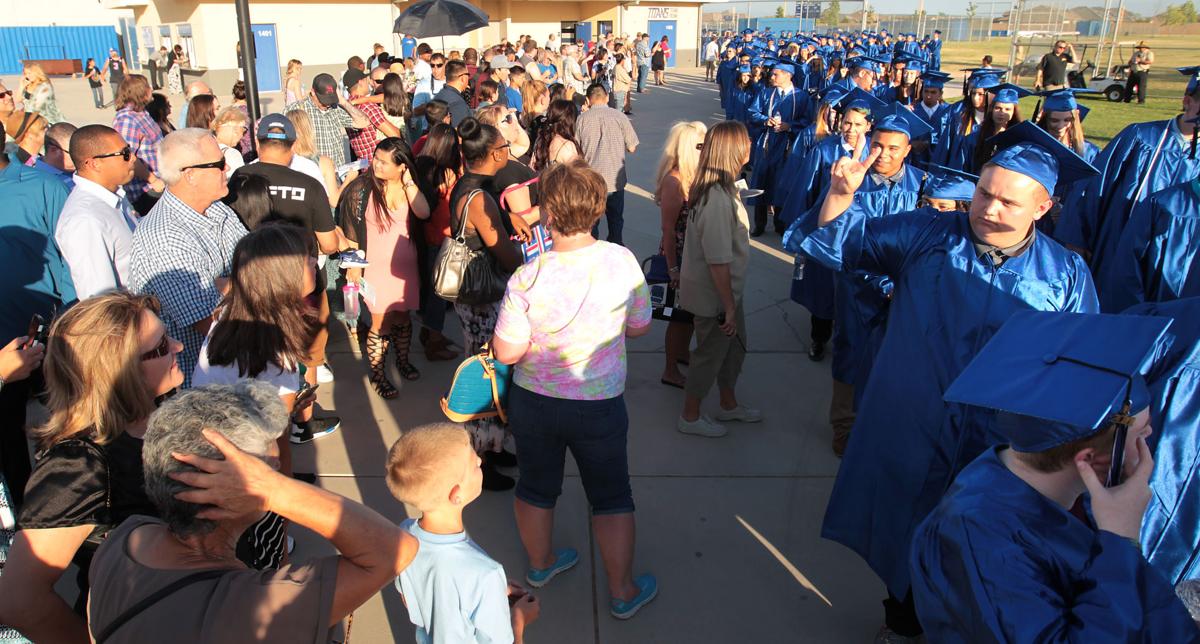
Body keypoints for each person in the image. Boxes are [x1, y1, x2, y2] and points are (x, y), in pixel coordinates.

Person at [782, 122, 1101, 642]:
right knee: (903, 532)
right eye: (984, 193)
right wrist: (840, 194)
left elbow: (1077, 369)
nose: (988, 209)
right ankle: (900, 622)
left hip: (1000, 443)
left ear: (1043, 207)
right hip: (914, 421)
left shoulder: (1065, 274)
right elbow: (845, 245)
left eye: (1008, 202)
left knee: (979, 550)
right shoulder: (928, 234)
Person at [911, 310, 1200, 642]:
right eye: (1141, 433)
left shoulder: (1082, 494)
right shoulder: (979, 540)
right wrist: (1121, 540)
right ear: (1088, 459)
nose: (1150, 438)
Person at [86, 382, 421, 643]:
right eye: (264, 468)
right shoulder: (251, 606)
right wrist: (274, 490)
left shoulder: (126, 538)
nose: (278, 467)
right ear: (221, 491)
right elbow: (393, 549)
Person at [491, 159, 655, 619]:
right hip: (599, 403)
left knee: (535, 486)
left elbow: (506, 352)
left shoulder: (528, 275)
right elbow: (640, 325)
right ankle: (622, 590)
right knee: (612, 496)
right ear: (597, 208)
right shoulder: (621, 261)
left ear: (547, 212)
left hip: (534, 402)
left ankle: (541, 564)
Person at [0, 293, 179, 642]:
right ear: (118, 372)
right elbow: (20, 600)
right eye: (161, 347)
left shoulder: (161, 412)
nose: (178, 347)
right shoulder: (77, 466)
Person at [386, 424, 541, 642]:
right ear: (456, 494)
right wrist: (519, 618)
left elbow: (408, 596)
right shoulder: (486, 574)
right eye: (473, 462)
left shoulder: (403, 535)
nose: (480, 461)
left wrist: (493, 591)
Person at [129, 128, 248, 387]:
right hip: (195, 389)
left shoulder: (218, 209)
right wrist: (244, 283)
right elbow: (211, 322)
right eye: (219, 163)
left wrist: (223, 284)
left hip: (231, 374)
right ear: (190, 174)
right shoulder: (163, 236)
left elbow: (259, 266)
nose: (227, 168)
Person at [1056, 67, 1200, 281]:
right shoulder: (1140, 138)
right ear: (1187, 101)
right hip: (1117, 248)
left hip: (1177, 265)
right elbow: (1094, 187)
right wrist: (1077, 238)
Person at [448, 118, 523, 490]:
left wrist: (509, 218)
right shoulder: (479, 197)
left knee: (491, 369)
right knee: (486, 373)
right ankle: (478, 458)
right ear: (494, 154)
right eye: (505, 147)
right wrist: (527, 265)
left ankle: (493, 446)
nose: (508, 151)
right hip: (482, 297)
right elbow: (505, 254)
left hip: (475, 295)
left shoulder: (471, 185)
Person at [675, 121, 760, 438]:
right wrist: (728, 307)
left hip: (727, 294)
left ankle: (728, 403)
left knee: (733, 350)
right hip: (716, 297)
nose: (751, 143)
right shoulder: (717, 199)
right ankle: (690, 415)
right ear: (733, 150)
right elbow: (718, 260)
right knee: (709, 356)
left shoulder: (723, 189)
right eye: (746, 140)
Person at [341, 138, 430, 397]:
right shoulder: (362, 188)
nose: (376, 165)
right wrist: (353, 266)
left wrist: (409, 183)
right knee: (380, 322)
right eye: (375, 159)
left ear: (401, 166)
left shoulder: (411, 187)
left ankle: (402, 361)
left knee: (403, 316)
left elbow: (424, 213)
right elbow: (350, 230)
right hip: (375, 269)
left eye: (383, 162)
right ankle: (378, 375)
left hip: (406, 270)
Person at [56, 124, 140, 298]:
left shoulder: (114, 196)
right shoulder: (85, 219)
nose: (133, 158)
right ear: (94, 163)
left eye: (130, 150)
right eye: (124, 153)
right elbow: (100, 299)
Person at [655, 121, 706, 389]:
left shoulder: (694, 175)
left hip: (694, 257)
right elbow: (668, 229)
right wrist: (673, 269)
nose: (706, 149)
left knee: (691, 313)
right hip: (679, 257)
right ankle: (670, 369)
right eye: (700, 145)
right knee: (677, 317)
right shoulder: (674, 181)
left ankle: (682, 354)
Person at [411, 123, 461, 362]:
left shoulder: (420, 167)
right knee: (439, 294)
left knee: (432, 290)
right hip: (442, 237)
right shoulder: (445, 173)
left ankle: (429, 332)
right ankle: (434, 340)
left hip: (425, 236)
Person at [747, 62, 811, 236]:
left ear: (788, 75)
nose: (772, 76)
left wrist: (790, 126)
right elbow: (752, 112)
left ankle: (780, 223)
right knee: (761, 182)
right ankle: (759, 224)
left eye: (776, 74)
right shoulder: (766, 93)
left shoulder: (801, 97)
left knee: (782, 184)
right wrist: (765, 120)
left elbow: (807, 121)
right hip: (766, 144)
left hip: (788, 146)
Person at [576, 83, 639, 245]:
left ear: (587, 100)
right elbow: (632, 147)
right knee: (616, 220)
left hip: (591, 182)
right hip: (615, 180)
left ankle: (592, 250)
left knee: (591, 224)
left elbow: (576, 151)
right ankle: (616, 248)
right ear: (606, 98)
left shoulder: (581, 120)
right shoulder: (620, 117)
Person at [285, 73, 371, 168]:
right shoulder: (297, 109)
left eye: (330, 99)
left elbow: (364, 122)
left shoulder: (335, 108)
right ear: (313, 92)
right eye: (323, 100)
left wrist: (343, 102)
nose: (327, 104)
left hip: (336, 171)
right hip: (312, 171)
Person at [112, 75, 165, 215]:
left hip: (161, 180)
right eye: (148, 86)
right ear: (140, 91)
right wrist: (153, 180)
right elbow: (127, 157)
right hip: (148, 190)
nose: (151, 89)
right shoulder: (126, 119)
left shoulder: (142, 113)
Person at [345, 68, 402, 161]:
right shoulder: (367, 107)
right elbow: (395, 135)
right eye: (366, 80)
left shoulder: (347, 107)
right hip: (379, 161)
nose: (369, 83)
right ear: (360, 82)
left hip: (362, 162)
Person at [531, 99, 579, 171]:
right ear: (570, 121)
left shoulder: (540, 139)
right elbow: (576, 175)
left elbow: (532, 166)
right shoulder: (567, 146)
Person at [433, 59, 473, 127]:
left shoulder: (440, 94)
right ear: (463, 78)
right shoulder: (457, 103)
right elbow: (460, 131)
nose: (468, 78)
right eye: (468, 74)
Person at [212, 107, 249, 177]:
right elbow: (239, 181)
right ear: (236, 130)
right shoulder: (232, 154)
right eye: (244, 130)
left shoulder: (206, 148)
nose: (242, 136)